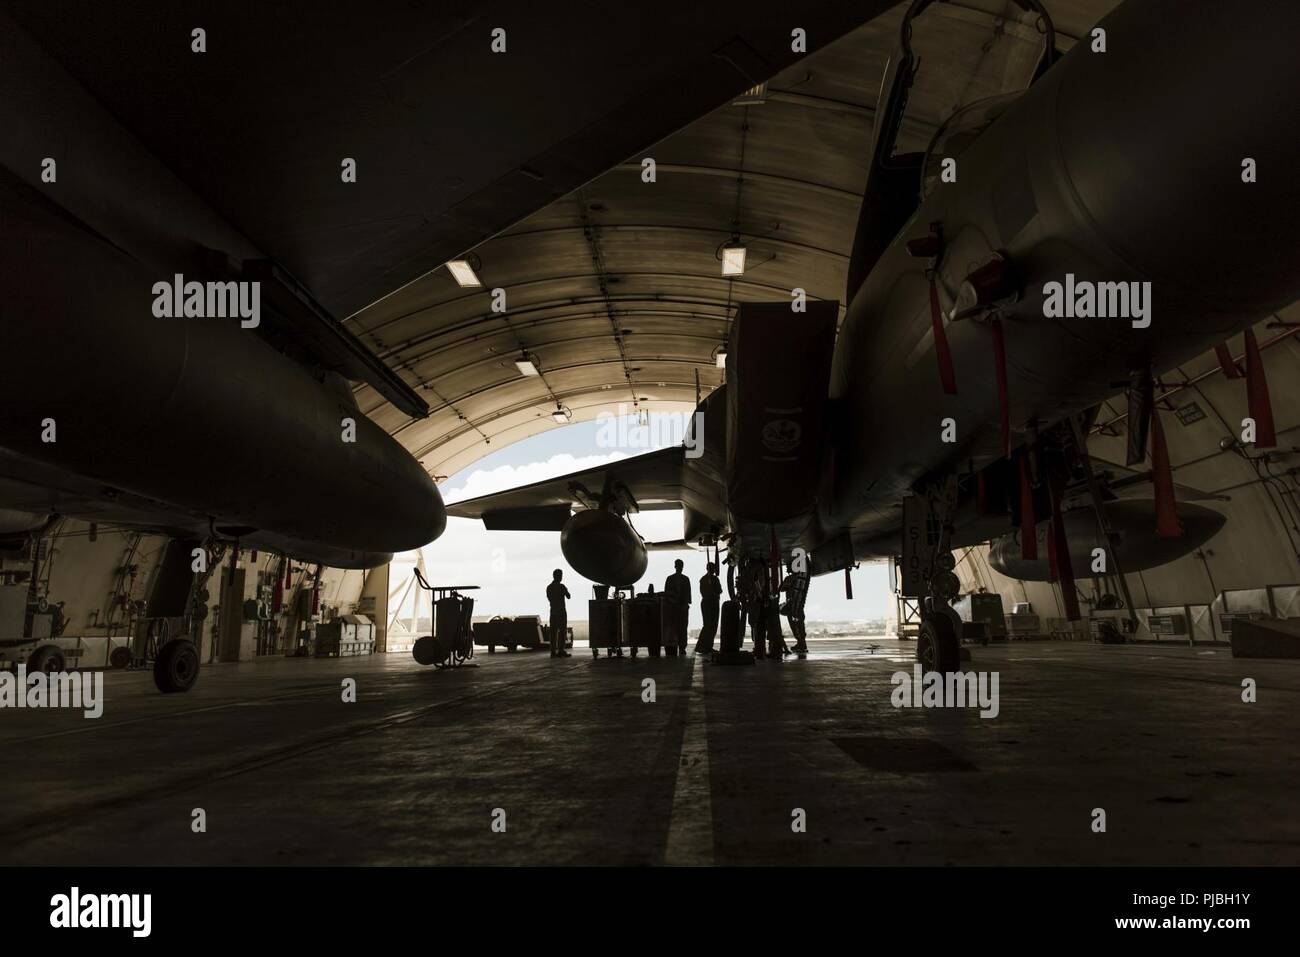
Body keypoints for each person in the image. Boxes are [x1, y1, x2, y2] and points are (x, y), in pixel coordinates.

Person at [779, 562, 810, 654]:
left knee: (795, 625)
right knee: (799, 625)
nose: (787, 569)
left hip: (793, 607)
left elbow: (782, 588)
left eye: (789, 567)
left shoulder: (791, 578)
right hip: (796, 606)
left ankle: (801, 644)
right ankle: (801, 643)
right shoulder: (798, 579)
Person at [664, 558, 692, 655]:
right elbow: (667, 593)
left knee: (681, 627)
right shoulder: (683, 579)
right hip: (675, 607)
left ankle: (681, 647)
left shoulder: (671, 579)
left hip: (679, 607)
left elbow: (667, 593)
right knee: (678, 628)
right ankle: (678, 646)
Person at [694, 562, 722, 655]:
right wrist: (712, 587)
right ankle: (703, 646)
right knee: (709, 625)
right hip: (709, 603)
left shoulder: (708, 579)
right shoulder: (707, 579)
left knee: (711, 625)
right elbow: (706, 592)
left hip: (711, 603)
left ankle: (707, 646)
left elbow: (719, 591)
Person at [546, 569, 571, 658]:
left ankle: (553, 652)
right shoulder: (562, 587)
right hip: (561, 612)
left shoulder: (549, 587)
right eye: (561, 575)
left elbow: (549, 599)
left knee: (553, 632)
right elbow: (569, 596)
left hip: (553, 612)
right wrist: (565, 591)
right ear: (559, 576)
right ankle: (561, 650)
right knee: (562, 632)